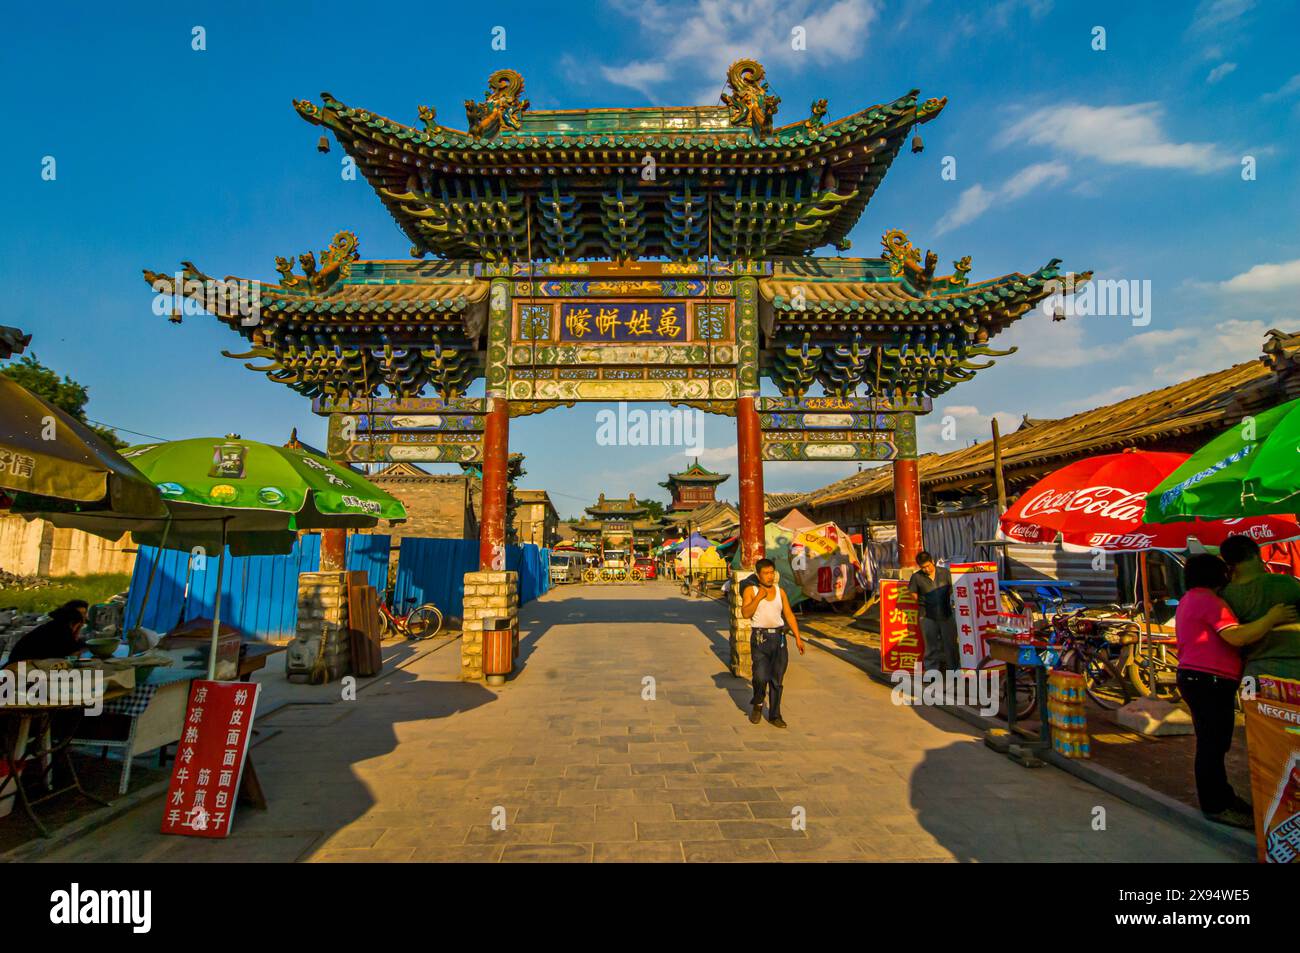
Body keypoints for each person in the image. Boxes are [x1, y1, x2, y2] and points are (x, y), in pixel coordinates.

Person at [1174, 553, 1295, 828]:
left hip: (1199, 678)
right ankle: (1216, 805)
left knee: (1213, 742)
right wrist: (1271, 618)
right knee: (1212, 744)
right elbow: (1237, 636)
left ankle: (1223, 798)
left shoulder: (1191, 598)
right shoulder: (1208, 600)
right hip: (1207, 680)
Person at [1220, 534, 1300, 680]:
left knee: (1251, 703)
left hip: (1254, 670)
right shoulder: (1286, 583)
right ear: (1257, 555)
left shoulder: (1225, 595)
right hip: (1294, 666)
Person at [740, 558, 804, 728]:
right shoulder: (751, 590)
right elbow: (745, 613)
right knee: (760, 676)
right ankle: (758, 702)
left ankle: (775, 714)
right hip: (760, 638)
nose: (769, 577)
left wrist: (798, 637)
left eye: (772, 573)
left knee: (777, 679)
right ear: (758, 575)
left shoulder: (780, 592)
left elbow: (789, 615)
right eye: (765, 573)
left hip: (779, 638)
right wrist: (758, 598)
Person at [908, 551, 958, 672]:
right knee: (931, 646)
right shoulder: (916, 577)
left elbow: (952, 588)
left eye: (928, 566)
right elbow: (913, 593)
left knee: (950, 644)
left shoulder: (945, 573)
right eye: (923, 567)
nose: (926, 569)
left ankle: (954, 670)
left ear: (932, 562)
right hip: (926, 616)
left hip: (946, 613)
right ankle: (932, 671)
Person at [5, 600, 89, 665]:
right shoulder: (60, 631)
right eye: (80, 615)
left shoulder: (54, 625)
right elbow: (72, 652)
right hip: (20, 669)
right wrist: (78, 629)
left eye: (84, 614)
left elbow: (76, 643)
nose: (83, 618)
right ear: (72, 621)